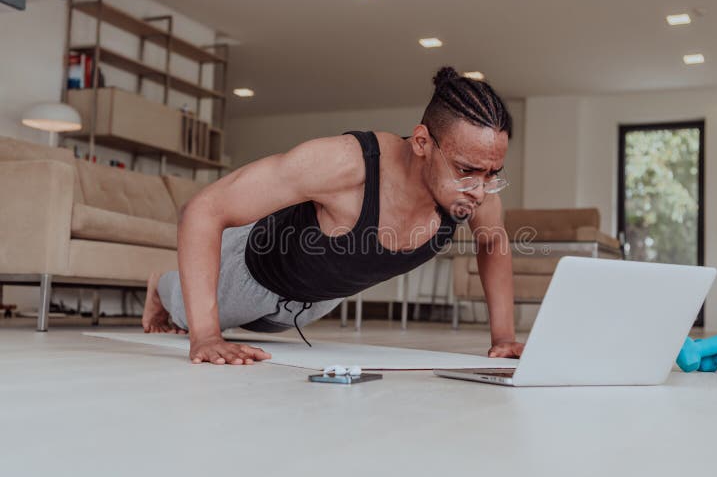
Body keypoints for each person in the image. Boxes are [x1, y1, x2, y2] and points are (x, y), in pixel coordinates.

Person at [142, 66, 524, 365]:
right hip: (248, 272)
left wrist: (503, 337)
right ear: (422, 141)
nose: (480, 189)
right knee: (190, 317)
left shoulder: (476, 190)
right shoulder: (344, 163)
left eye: (492, 173)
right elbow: (202, 209)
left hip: (312, 304)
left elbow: (492, 239)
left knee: (261, 332)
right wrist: (206, 336)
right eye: (465, 170)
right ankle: (161, 287)